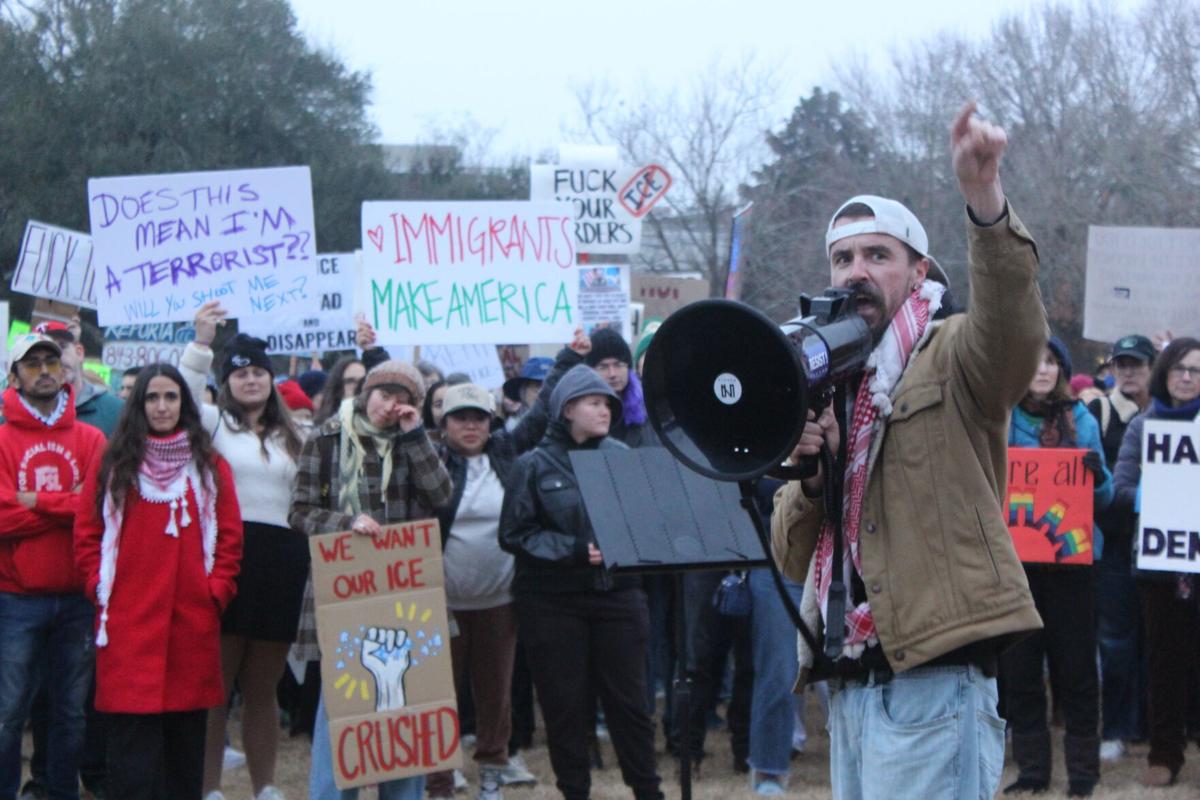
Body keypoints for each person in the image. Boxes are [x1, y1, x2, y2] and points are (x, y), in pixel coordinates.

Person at [770, 102, 1047, 800]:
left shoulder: (952, 351)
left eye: (876, 255)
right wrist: (807, 474)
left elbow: (1013, 333)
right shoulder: (821, 381)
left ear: (918, 269)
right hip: (852, 679)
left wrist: (983, 199)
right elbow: (789, 554)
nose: (855, 271)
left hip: (936, 675)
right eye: (842, 258)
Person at [74, 363, 243, 800]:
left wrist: (215, 593)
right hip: (129, 626)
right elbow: (88, 533)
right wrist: (99, 586)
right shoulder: (113, 461)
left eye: (171, 397)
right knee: (132, 762)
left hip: (190, 625)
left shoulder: (209, 465)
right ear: (138, 404)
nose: (162, 406)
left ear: (184, 404)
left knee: (183, 759)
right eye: (152, 397)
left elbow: (228, 538)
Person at [290, 359, 453, 800]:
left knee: (405, 706)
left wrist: (416, 435)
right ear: (366, 394)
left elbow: (440, 495)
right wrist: (345, 524)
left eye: (402, 400)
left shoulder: (417, 441)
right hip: (343, 591)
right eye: (384, 395)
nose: (389, 406)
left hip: (403, 593)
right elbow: (300, 511)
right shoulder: (325, 440)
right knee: (342, 706)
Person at [500, 364, 664, 800]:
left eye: (608, 403)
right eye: (594, 402)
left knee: (630, 706)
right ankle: (575, 791)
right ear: (568, 408)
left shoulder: (621, 458)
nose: (605, 409)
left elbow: (646, 521)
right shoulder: (531, 465)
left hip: (618, 597)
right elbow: (515, 534)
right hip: (553, 604)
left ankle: (649, 791)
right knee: (565, 708)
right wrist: (573, 550)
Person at [177, 304, 309, 800]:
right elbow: (182, 393)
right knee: (217, 686)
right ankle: (209, 788)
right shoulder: (211, 423)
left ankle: (266, 786)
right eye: (240, 373)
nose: (250, 380)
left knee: (264, 686)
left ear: (270, 380)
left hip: (283, 561)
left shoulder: (297, 433)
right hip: (228, 558)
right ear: (226, 382)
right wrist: (202, 342)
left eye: (258, 372)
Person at [1001, 337, 1112, 797]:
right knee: (1021, 670)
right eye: (1034, 361)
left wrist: (1095, 474)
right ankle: (1032, 773)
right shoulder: (1001, 421)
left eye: (1050, 362)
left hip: (1072, 567)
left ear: (1062, 369)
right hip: (1017, 567)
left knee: (1077, 670)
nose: (1042, 370)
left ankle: (1083, 775)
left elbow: (1103, 500)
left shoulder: (1081, 419)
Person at [18, 321, 123, 800]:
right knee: (14, 708)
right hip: (15, 594)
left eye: (53, 358)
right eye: (34, 361)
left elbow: (98, 504)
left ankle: (68, 788)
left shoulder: (99, 426)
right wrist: (66, 502)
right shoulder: (2, 433)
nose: (45, 368)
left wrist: (34, 501)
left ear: (69, 363)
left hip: (81, 589)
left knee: (74, 707)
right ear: (16, 374)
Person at [1112, 337, 1200, 787]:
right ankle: (1165, 754)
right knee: (1164, 662)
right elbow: (1120, 489)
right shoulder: (1144, 428)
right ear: (1165, 374)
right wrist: (1153, 496)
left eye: (1195, 371)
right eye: (1179, 369)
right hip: (1159, 564)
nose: (1187, 377)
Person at [1087, 334, 1156, 762]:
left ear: (1153, 368)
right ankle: (1116, 728)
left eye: (1137, 364)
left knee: (1161, 640)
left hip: (1170, 547)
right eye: (1121, 364)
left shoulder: (1171, 415)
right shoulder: (1099, 411)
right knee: (1116, 642)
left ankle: (1152, 724)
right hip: (1115, 544)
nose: (1127, 371)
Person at [501, 357, 552, 432]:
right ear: (523, 392)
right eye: (537, 386)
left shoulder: (567, 429)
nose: (542, 393)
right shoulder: (511, 431)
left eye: (548, 386)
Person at [313, 356, 366, 425]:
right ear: (338, 387)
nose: (358, 386)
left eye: (363, 381)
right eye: (350, 381)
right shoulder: (324, 428)